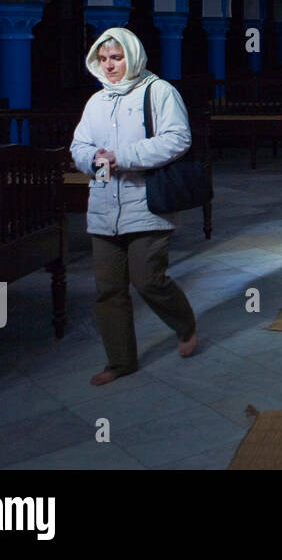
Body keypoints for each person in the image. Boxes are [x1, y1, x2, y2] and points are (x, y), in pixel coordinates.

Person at [70, 27, 198, 386]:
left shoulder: (159, 92)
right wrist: (92, 158)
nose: (110, 65)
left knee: (148, 279)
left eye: (117, 57)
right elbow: (79, 145)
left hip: (147, 202)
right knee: (108, 289)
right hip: (104, 207)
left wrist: (121, 157)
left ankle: (184, 324)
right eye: (104, 59)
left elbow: (178, 139)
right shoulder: (96, 102)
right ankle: (120, 361)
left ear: (133, 56)